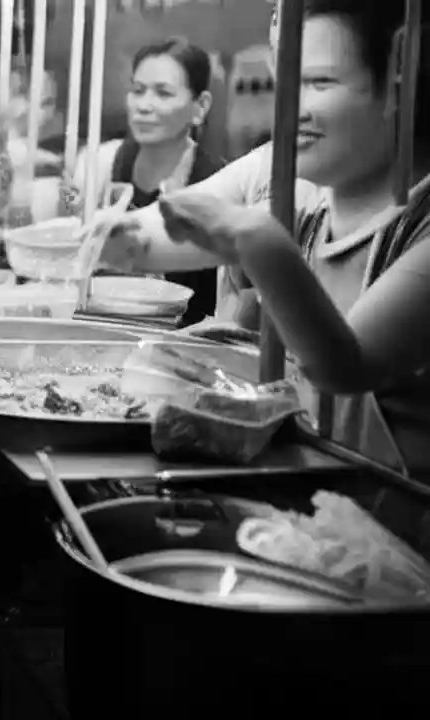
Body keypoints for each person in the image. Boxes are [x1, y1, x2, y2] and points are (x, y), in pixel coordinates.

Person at [95, 0, 430, 476]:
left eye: (319, 82)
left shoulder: (418, 221)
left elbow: (346, 369)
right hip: (312, 497)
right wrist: (104, 236)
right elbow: (160, 231)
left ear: (403, 80)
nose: (290, 106)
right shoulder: (298, 178)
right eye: (284, 82)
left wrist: (262, 244)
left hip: (397, 528)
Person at [76, 37, 227, 325]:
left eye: (163, 93)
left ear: (201, 106)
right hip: (101, 330)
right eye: (137, 90)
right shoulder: (100, 165)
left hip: (185, 345)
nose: (144, 105)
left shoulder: (218, 184)